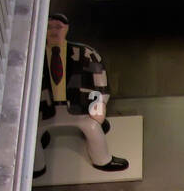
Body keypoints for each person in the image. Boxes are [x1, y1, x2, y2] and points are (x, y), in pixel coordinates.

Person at [34, 13, 128, 176]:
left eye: (58, 27)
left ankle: (102, 160)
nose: (54, 31)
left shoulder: (85, 53)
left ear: (66, 29)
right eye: (49, 27)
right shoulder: (35, 56)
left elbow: (100, 82)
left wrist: (98, 105)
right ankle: (36, 166)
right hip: (46, 107)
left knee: (92, 127)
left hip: (80, 105)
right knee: (33, 134)